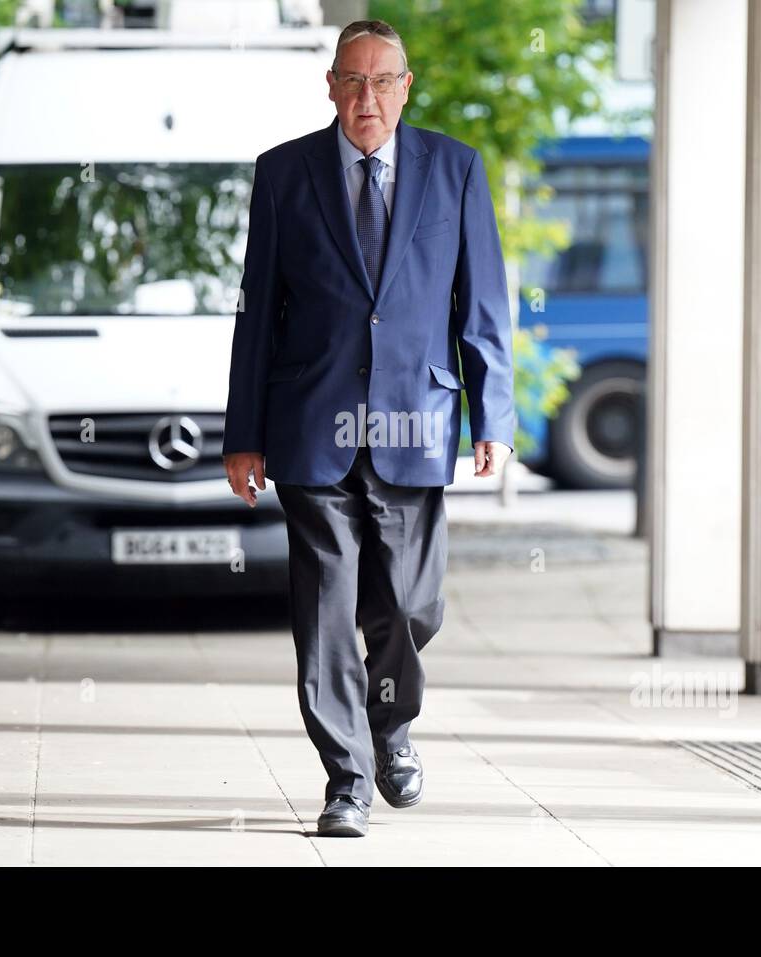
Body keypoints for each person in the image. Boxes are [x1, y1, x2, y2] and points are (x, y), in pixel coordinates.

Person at [222, 18, 515, 837]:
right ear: (330, 86)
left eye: (383, 81)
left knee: (409, 606)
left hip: (415, 421)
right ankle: (345, 778)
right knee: (325, 608)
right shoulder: (283, 174)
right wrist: (243, 431)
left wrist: (493, 412)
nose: (367, 98)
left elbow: (482, 304)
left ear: (406, 88)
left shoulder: (454, 169)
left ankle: (391, 724)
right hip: (311, 425)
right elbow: (257, 314)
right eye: (352, 80)